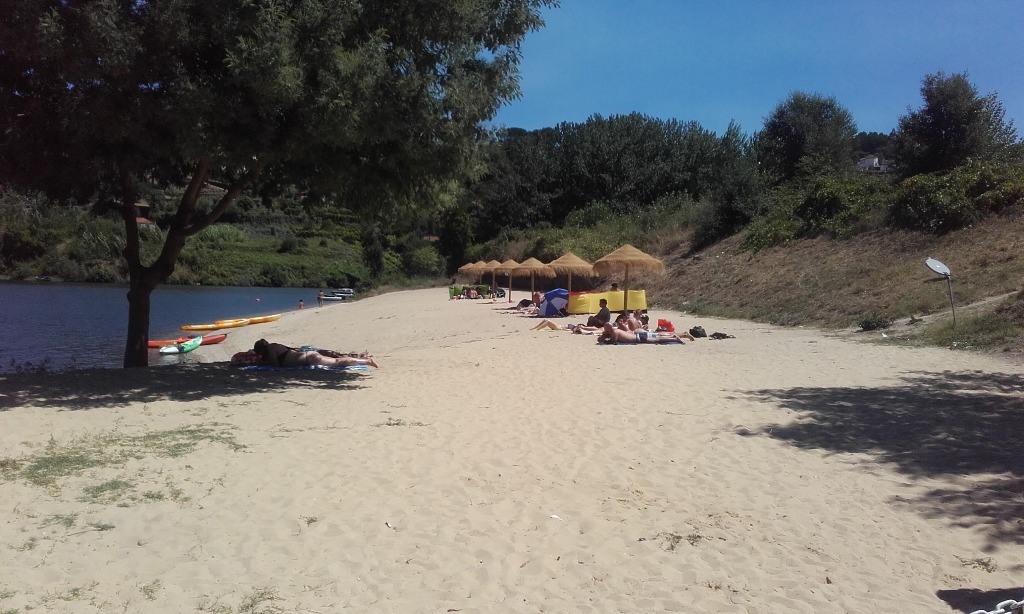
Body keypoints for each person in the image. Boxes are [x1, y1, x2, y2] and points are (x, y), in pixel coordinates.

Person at [253, 339, 379, 368]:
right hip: (307, 355)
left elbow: (275, 365)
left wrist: (262, 362)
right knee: (336, 359)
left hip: (309, 359)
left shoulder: (269, 351)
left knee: (337, 362)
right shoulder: (276, 346)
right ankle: (364, 359)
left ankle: (367, 361)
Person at [597, 323, 693, 345]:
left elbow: (613, 342)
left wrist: (604, 340)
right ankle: (673, 336)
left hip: (638, 338)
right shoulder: (616, 330)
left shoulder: (615, 332)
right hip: (640, 335)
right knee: (658, 336)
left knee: (657, 340)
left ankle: (674, 339)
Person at [530, 319, 602, 333]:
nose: (579, 325)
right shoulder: (575, 326)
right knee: (545, 320)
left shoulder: (575, 328)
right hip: (559, 326)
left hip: (559, 328)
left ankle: (537, 329)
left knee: (548, 321)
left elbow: (595, 328)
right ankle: (534, 328)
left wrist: (580, 327)